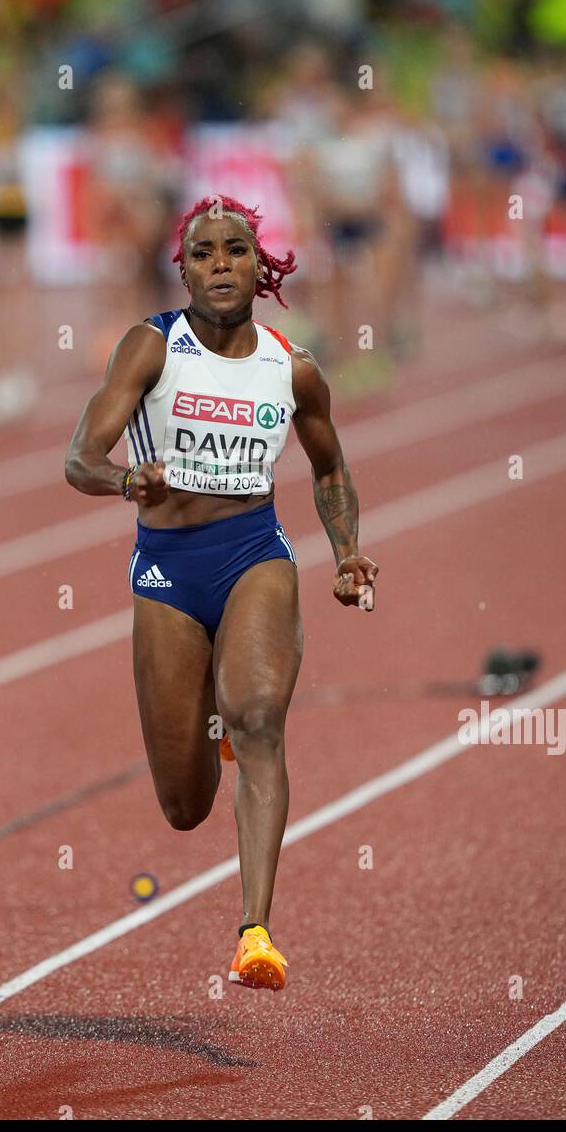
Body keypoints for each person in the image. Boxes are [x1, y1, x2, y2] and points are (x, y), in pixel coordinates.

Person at [65, 195, 379, 990]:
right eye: (202, 253)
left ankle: (254, 932)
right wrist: (121, 479)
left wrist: (346, 554)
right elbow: (79, 456)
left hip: (253, 554)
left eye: (234, 250)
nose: (219, 266)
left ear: (257, 265)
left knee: (261, 717)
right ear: (184, 269)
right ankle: (218, 715)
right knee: (182, 806)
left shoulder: (292, 367)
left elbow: (330, 467)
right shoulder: (150, 347)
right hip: (169, 570)